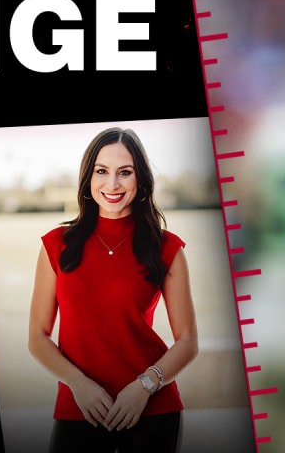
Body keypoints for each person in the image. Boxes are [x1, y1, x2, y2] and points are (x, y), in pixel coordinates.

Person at [28, 127, 199, 453]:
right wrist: (79, 385)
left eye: (125, 172)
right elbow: (37, 337)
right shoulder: (56, 244)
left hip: (151, 410)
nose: (113, 184)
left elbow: (188, 342)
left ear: (141, 180)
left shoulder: (167, 248)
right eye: (102, 171)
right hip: (79, 408)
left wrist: (144, 387)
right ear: (88, 178)